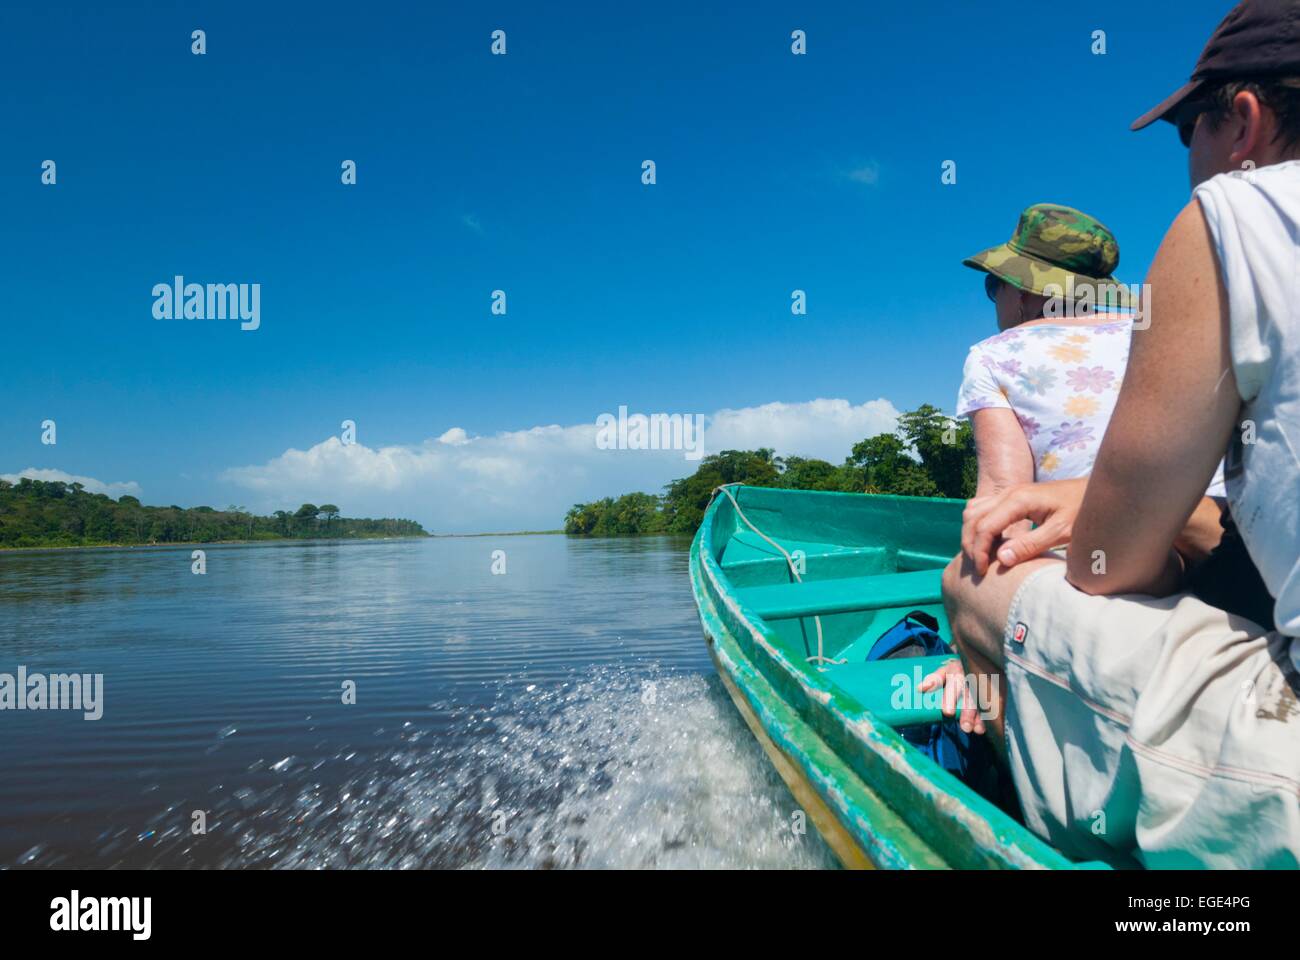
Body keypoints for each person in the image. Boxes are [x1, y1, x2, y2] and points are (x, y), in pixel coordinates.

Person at [928, 0, 1300, 868]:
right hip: (1219, 549)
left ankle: (1018, 786)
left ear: (1240, 122)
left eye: (1187, 138)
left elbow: (1006, 511)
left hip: (1122, 562)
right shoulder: (1136, 320)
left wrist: (974, 638)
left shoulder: (1231, 226)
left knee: (970, 578)